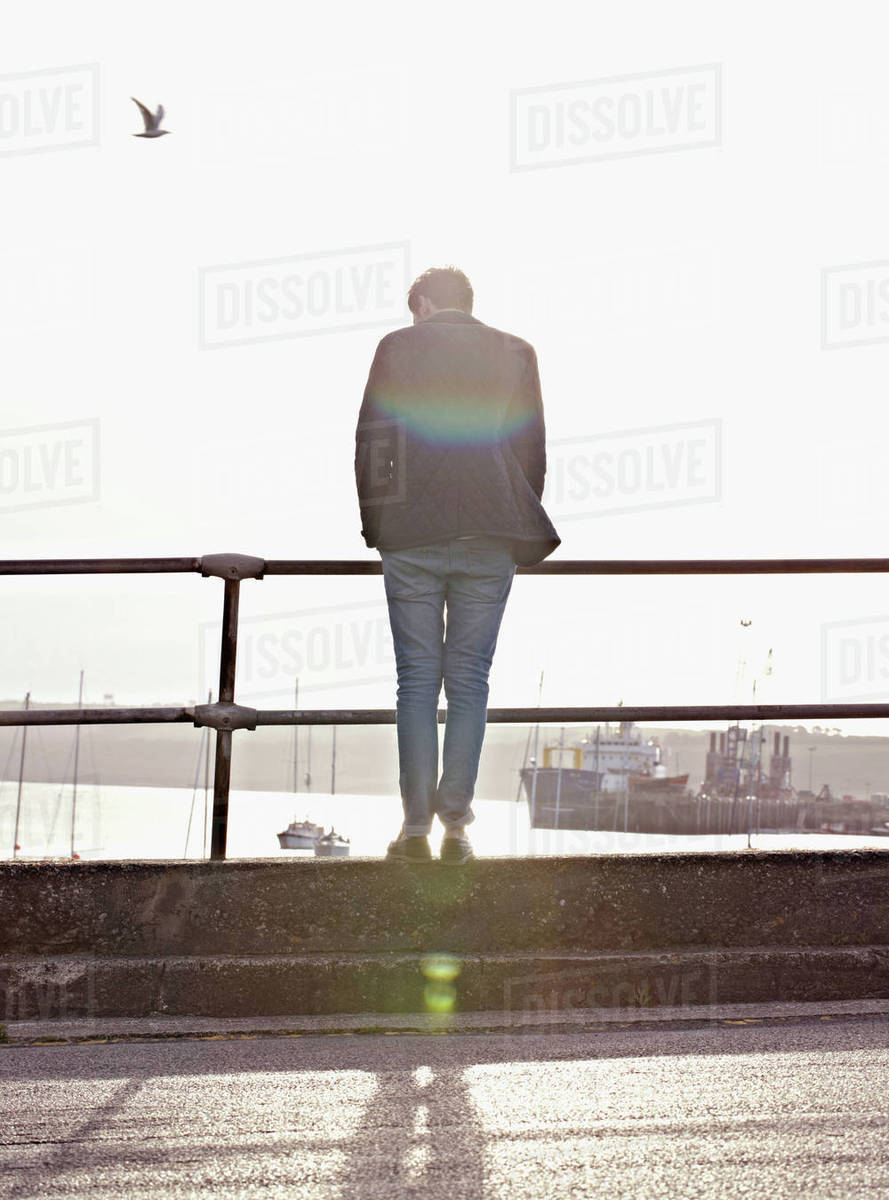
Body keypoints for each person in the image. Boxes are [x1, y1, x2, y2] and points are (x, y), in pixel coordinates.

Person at [355, 266, 559, 864]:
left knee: (417, 682)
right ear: (468, 303)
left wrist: (378, 526)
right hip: (491, 533)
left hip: (412, 535)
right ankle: (457, 828)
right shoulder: (515, 351)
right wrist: (514, 515)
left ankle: (415, 828)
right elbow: (531, 451)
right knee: (469, 682)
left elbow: (374, 441)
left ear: (420, 303)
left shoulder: (396, 347)